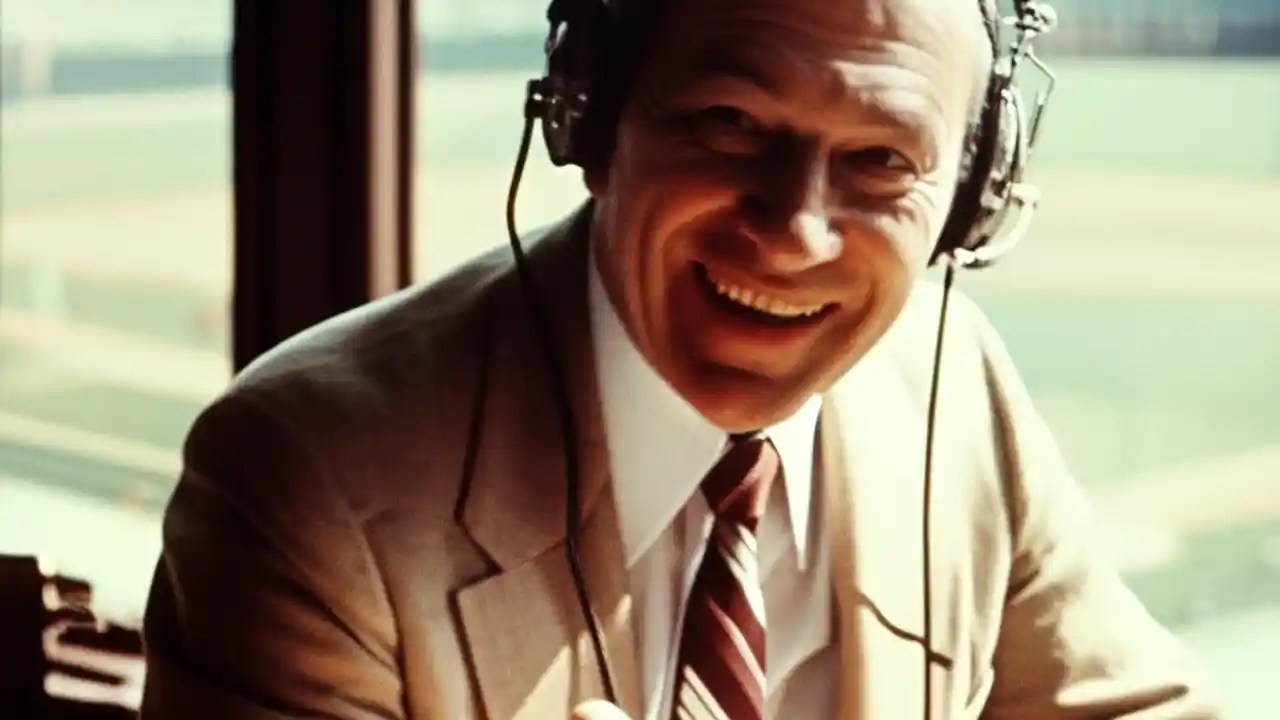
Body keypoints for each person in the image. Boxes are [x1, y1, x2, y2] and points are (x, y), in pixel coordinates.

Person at [140, 0, 1221, 717]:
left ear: (970, 198)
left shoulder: (949, 379)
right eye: (729, 121)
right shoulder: (305, 477)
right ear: (592, 116)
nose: (794, 232)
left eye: (881, 160)